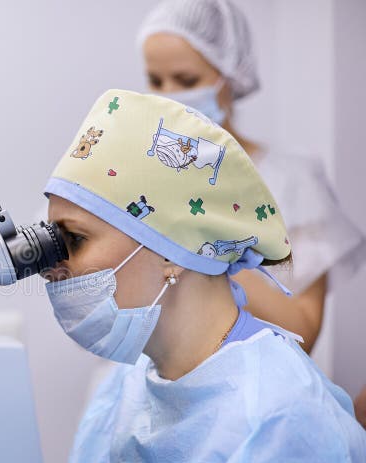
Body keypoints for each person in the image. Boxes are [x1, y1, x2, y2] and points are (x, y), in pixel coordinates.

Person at [43, 89, 366, 463]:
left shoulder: (279, 421)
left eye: (74, 239)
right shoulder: (122, 389)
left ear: (172, 247)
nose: (53, 268)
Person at [137, 0, 365, 352]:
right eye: (155, 80)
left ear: (230, 77)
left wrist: (210, 249)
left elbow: (302, 332)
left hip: (247, 382)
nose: (168, 96)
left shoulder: (292, 181)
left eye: (186, 80)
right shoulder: (141, 177)